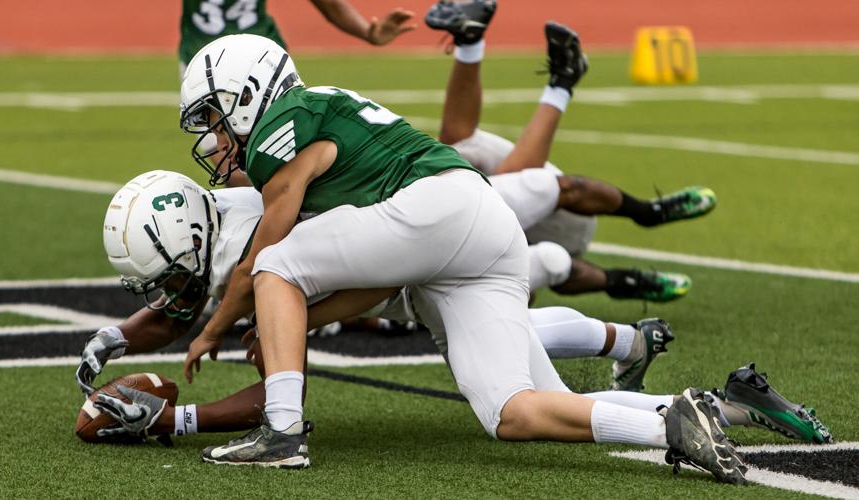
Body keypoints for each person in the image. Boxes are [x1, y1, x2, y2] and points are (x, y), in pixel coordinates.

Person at [174, 33, 750, 483]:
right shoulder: (318, 112)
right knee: (514, 411)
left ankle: (281, 434)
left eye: (214, 120)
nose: (213, 140)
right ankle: (691, 415)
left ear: (247, 96)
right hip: (474, 226)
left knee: (276, 265)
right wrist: (294, 322)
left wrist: (215, 330)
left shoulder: (284, 121)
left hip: (436, 208)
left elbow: (262, 260)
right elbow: (381, 284)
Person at [83, 170, 833, 450]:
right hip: (444, 235)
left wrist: (177, 420)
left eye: (165, 269)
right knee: (544, 401)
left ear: (190, 237)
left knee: (509, 410)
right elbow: (187, 306)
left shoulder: (261, 248)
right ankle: (727, 406)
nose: (167, 290)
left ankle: (656, 392)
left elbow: (287, 392)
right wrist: (118, 336)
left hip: (441, 250)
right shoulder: (234, 216)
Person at [426, 0, 716, 302]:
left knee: (462, 150)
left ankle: (648, 212)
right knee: (542, 263)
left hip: (557, 212)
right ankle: (624, 281)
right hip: (523, 241)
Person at [179, 0, 418, 74]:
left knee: (283, 159)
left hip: (265, 61)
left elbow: (330, 5)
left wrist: (368, 32)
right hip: (202, 59)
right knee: (232, 168)